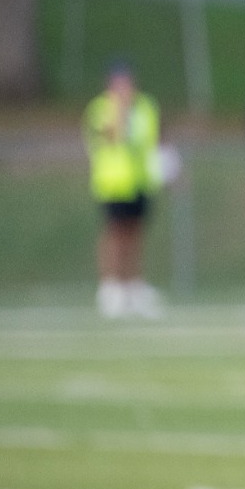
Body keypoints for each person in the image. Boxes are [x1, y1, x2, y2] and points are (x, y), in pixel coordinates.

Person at [83, 62, 164, 319]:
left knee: (135, 234)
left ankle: (133, 285)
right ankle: (111, 286)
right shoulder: (100, 109)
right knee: (115, 234)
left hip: (139, 181)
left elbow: (153, 141)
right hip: (113, 183)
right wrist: (120, 110)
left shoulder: (146, 107)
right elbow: (109, 138)